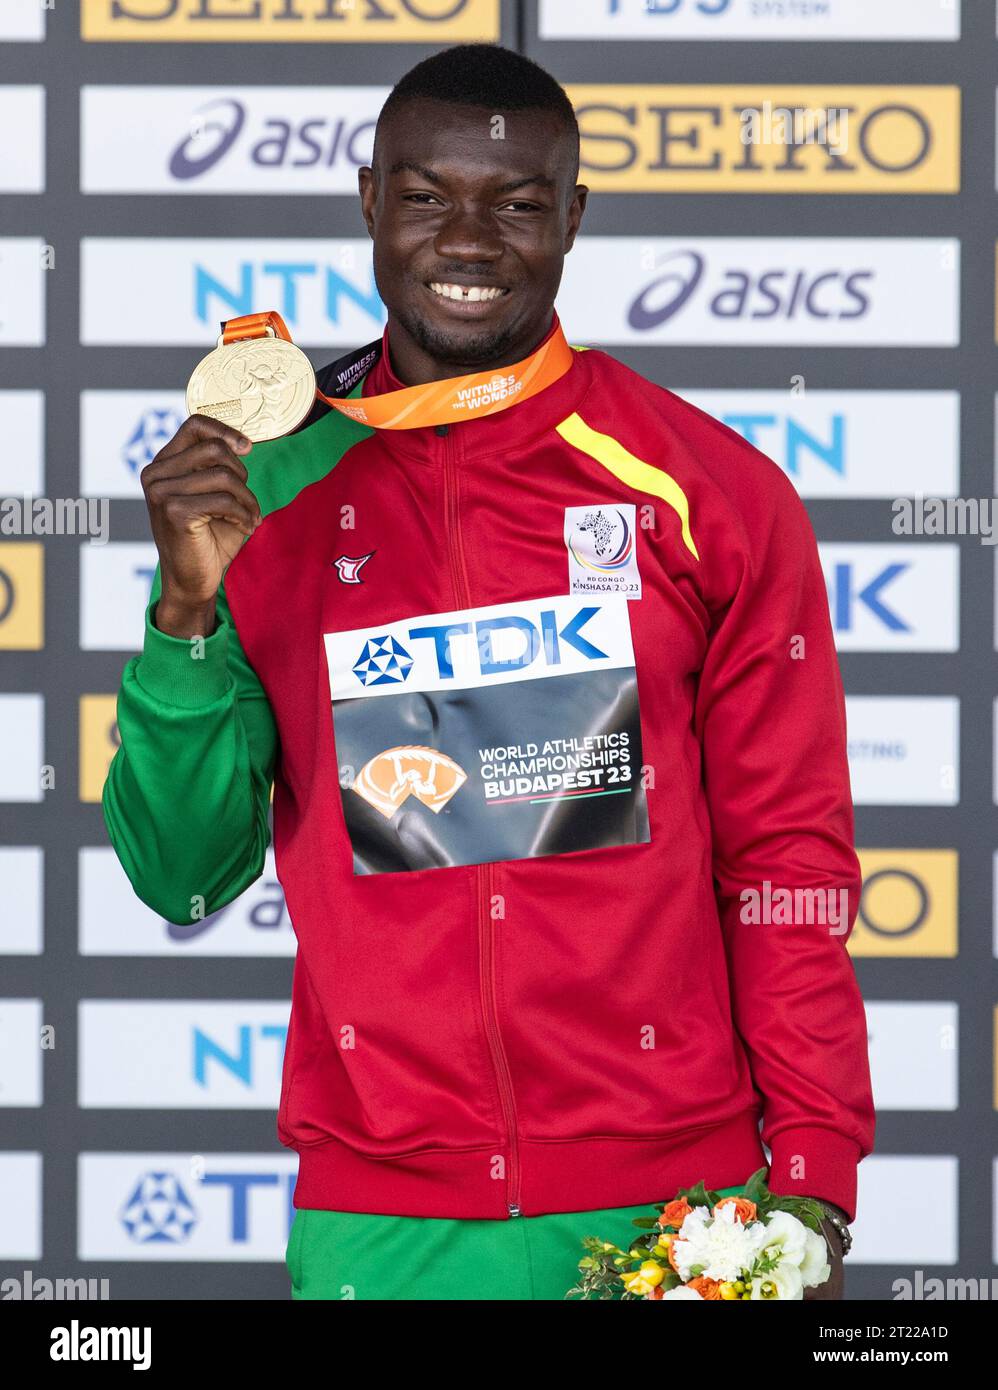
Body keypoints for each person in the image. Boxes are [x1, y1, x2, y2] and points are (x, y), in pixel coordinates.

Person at [103, 43, 874, 1301]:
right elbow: (180, 874)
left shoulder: (706, 494)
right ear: (367, 200)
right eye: (425, 196)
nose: (467, 240)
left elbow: (785, 862)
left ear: (571, 218)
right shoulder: (261, 490)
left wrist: (807, 1182)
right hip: (384, 1217)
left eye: (515, 203)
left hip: (677, 1201)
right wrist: (188, 610)